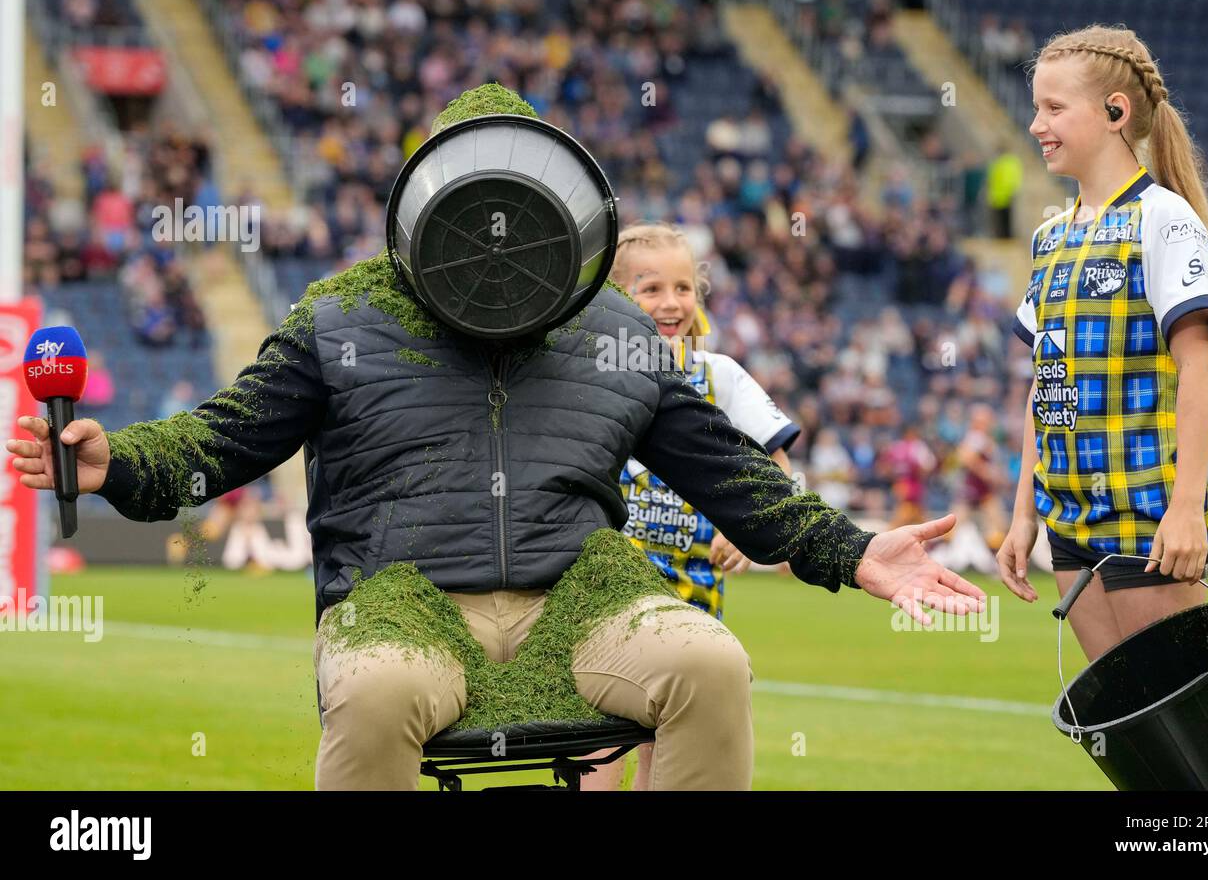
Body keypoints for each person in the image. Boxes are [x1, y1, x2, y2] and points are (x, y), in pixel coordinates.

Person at [8, 84, 984, 791]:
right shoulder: (340, 314)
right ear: (429, 201)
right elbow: (224, 435)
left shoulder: (612, 328)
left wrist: (852, 550)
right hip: (404, 602)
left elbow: (726, 467)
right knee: (380, 685)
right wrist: (115, 462)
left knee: (710, 660)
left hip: (580, 600)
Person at [997, 25, 1208, 663]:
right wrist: (1023, 512)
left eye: (1054, 108)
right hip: (1068, 522)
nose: (1037, 124)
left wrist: (1184, 510)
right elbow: (1046, 385)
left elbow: (1198, 372)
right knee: (1133, 739)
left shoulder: (1164, 219)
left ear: (1115, 112)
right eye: (1037, 107)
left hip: (1147, 515)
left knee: (1189, 730)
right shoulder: (1048, 238)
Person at [580, 222, 801, 790]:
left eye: (683, 288)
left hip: (691, 597)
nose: (671, 302)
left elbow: (778, 468)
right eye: (650, 289)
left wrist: (750, 525)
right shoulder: (587, 376)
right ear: (613, 298)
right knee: (600, 739)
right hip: (607, 593)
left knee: (669, 739)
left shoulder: (718, 376)